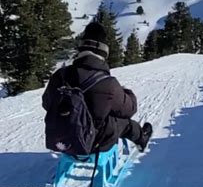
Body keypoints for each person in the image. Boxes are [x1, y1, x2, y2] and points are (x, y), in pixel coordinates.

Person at [42, 20, 152, 153]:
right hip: (96, 142)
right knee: (123, 122)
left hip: (62, 137)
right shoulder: (108, 83)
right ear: (103, 51)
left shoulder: (61, 75)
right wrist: (126, 92)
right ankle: (141, 139)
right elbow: (130, 109)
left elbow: (47, 103)